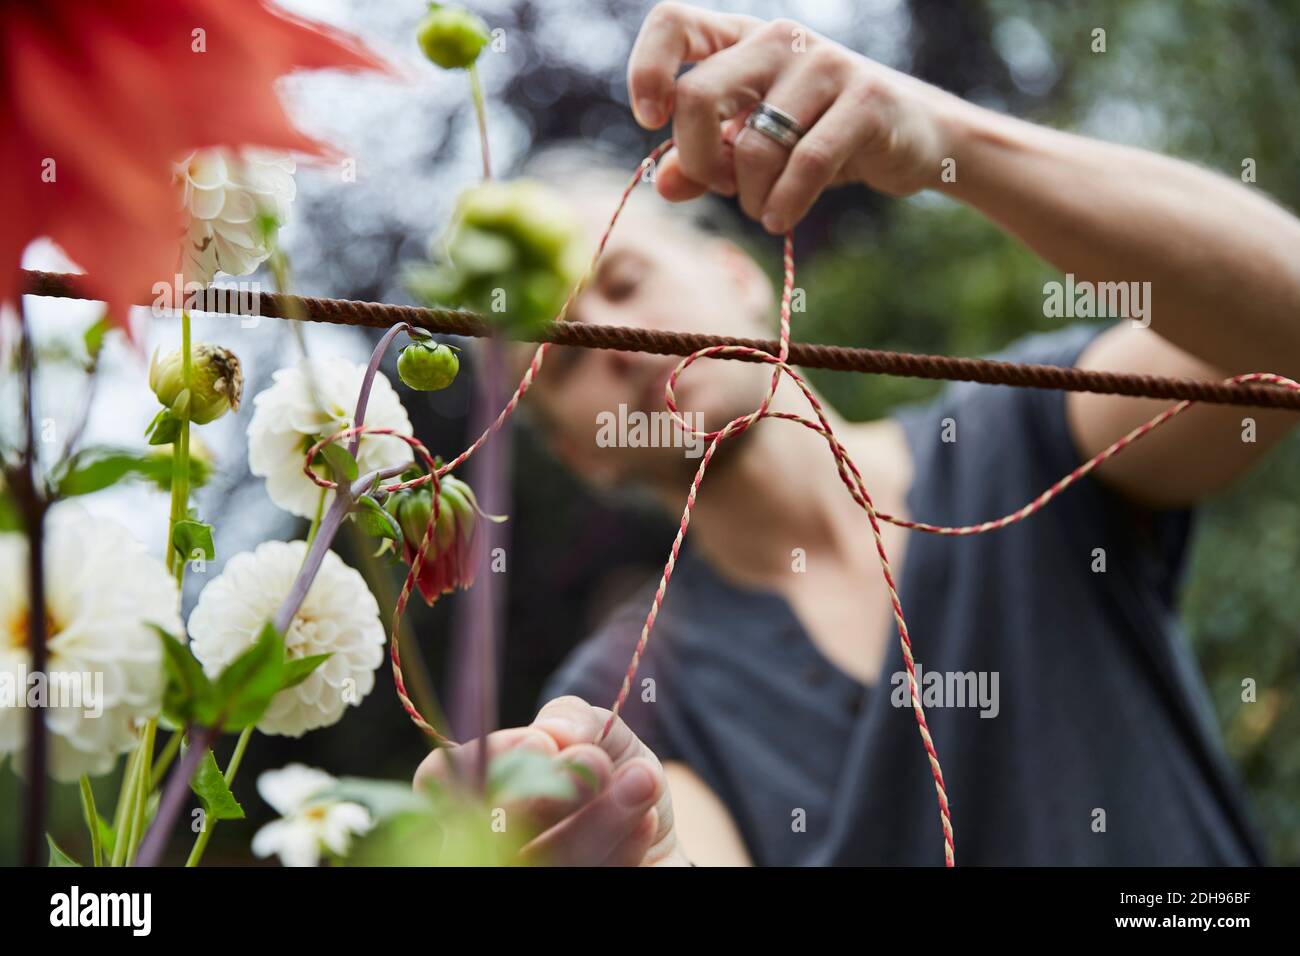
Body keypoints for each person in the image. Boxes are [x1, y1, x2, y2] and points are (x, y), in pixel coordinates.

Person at [415, 2, 1300, 866]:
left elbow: (1284, 332)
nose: (608, 339)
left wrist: (949, 143)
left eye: (625, 279)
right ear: (579, 455)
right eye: (561, 361)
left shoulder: (1025, 437)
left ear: (740, 276)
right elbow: (673, 841)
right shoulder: (627, 695)